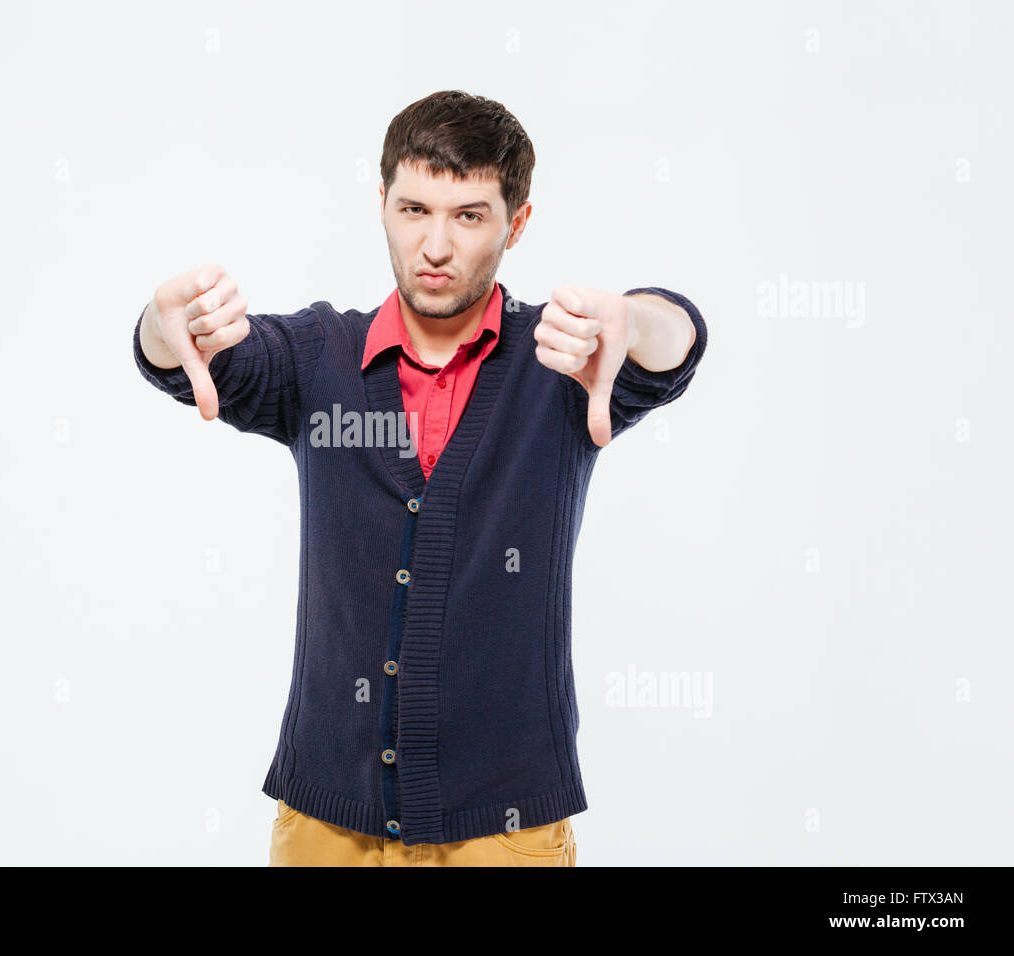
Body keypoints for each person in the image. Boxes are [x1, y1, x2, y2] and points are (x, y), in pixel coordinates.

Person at [133, 90, 708, 866]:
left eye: (469, 215)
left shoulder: (564, 363)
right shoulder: (318, 358)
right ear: (381, 205)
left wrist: (638, 320)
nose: (435, 245)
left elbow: (673, 345)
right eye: (414, 210)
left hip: (503, 826)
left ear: (517, 224)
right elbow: (192, 357)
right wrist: (161, 327)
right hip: (325, 819)